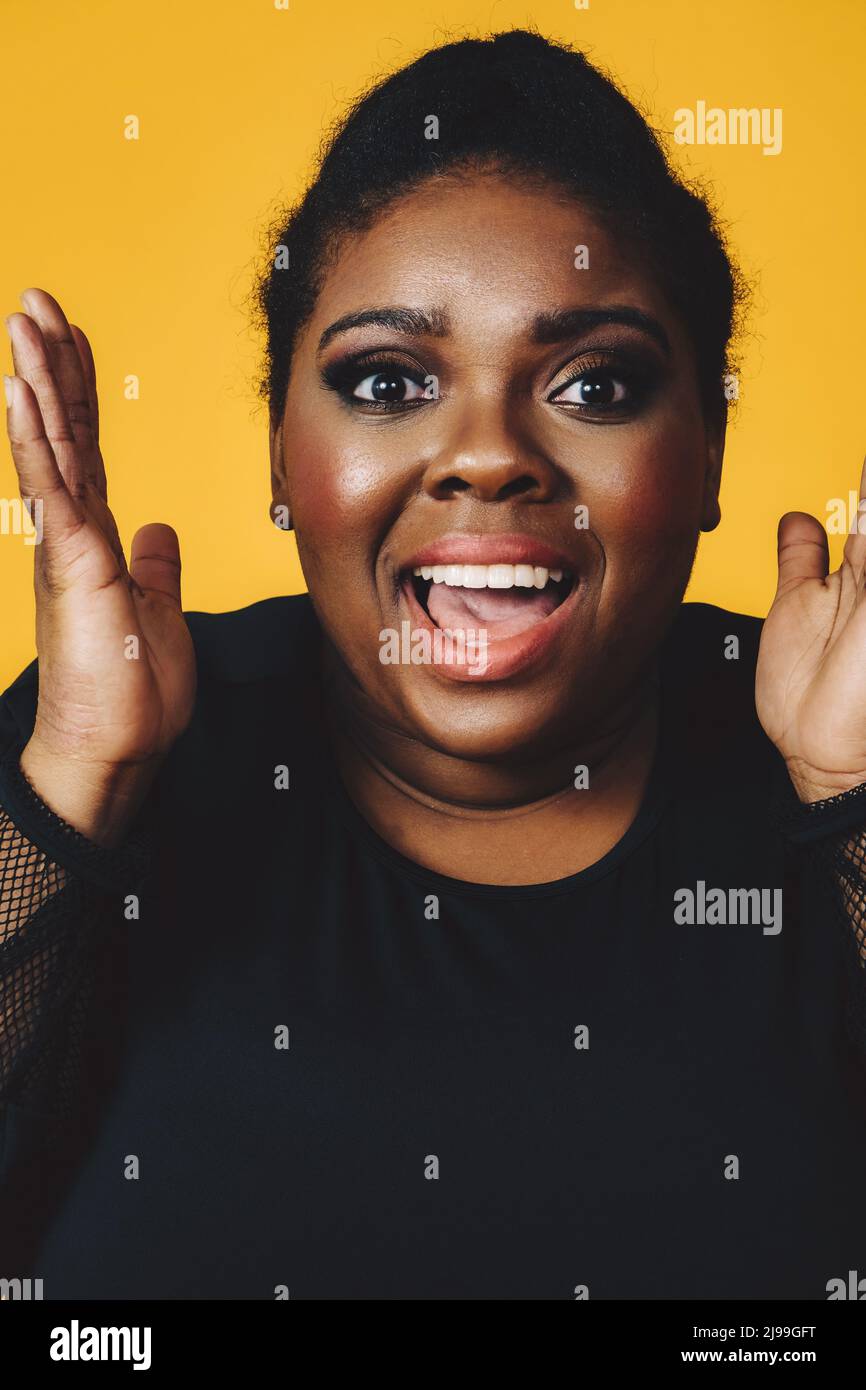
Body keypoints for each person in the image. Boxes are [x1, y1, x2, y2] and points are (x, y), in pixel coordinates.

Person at [1, 28, 866, 1300]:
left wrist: (847, 794)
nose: (485, 455)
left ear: (709, 456)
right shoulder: (114, 744)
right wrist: (79, 774)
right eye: (390, 378)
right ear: (279, 453)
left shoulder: (814, 756)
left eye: (593, 384)